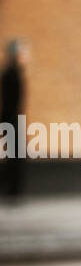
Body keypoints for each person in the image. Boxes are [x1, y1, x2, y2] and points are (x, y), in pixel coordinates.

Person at [1, 39, 29, 201]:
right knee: (14, 156)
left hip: (13, 120)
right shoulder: (11, 74)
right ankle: (13, 190)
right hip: (12, 121)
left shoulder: (15, 72)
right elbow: (10, 102)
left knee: (15, 156)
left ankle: (14, 190)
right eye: (23, 52)